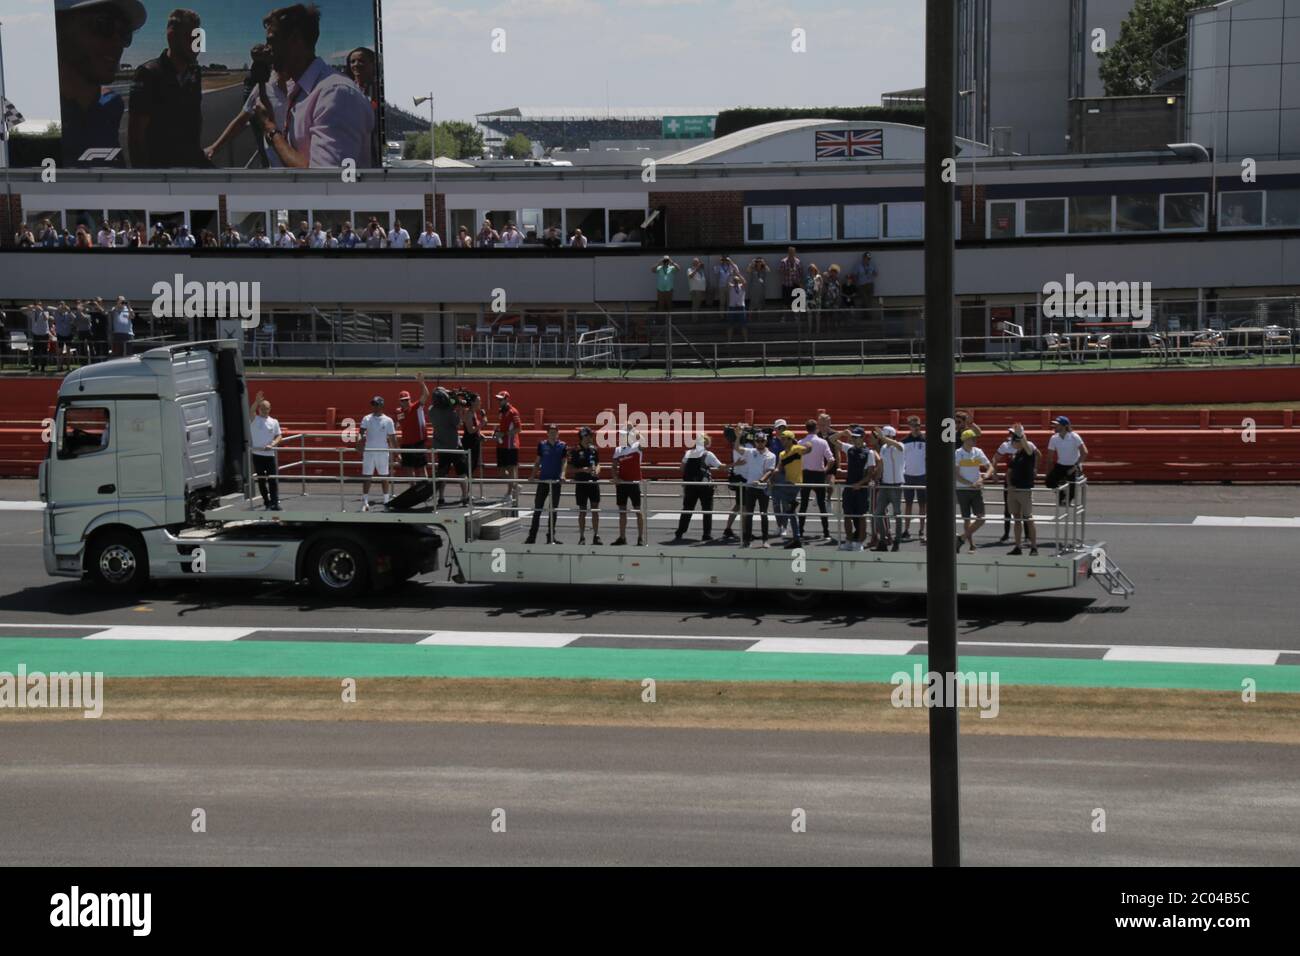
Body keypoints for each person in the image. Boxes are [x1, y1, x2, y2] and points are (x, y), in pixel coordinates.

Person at [251, 4, 375, 168]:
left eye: (272, 41)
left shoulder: (336, 95)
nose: (267, 50)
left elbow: (325, 184)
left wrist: (270, 128)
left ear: (295, 39)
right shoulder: (298, 87)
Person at [54, 0, 145, 167]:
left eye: (125, 33)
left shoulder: (111, 105)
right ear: (57, 28)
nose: (117, 43)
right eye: (102, 25)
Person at [128, 8, 208, 168]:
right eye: (192, 38)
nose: (198, 46)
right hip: (162, 169)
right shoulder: (148, 74)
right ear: (172, 37)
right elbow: (136, 138)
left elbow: (196, 115)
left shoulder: (195, 72)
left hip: (192, 162)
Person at [832, 427, 876, 551]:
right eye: (853, 437)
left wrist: (860, 484)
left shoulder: (869, 453)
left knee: (861, 516)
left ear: (862, 437)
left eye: (857, 437)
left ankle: (860, 542)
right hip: (849, 487)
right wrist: (842, 432)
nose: (854, 439)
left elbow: (870, 473)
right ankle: (849, 541)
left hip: (861, 489)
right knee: (847, 515)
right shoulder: (848, 448)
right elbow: (832, 439)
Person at [674, 434, 723, 542]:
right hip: (704, 486)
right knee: (707, 510)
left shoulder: (688, 453)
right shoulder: (708, 454)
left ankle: (680, 532)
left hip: (690, 485)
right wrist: (733, 465)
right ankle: (706, 534)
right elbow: (720, 467)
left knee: (687, 509)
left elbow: (681, 468)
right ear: (707, 443)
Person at [525, 424, 567, 545]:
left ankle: (551, 537)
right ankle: (531, 537)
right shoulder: (542, 445)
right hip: (543, 481)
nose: (553, 434)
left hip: (555, 482)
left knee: (553, 510)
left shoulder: (562, 446)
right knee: (537, 509)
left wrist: (563, 474)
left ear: (558, 433)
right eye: (551, 432)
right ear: (547, 433)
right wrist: (533, 475)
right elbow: (537, 462)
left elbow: (564, 462)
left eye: (555, 432)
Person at [955, 429, 994, 553]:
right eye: (973, 438)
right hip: (962, 489)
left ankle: (961, 539)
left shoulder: (978, 452)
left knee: (981, 518)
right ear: (966, 440)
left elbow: (990, 467)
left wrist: (984, 477)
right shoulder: (957, 453)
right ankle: (970, 544)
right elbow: (956, 475)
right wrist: (971, 484)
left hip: (976, 489)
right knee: (966, 519)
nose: (975, 440)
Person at [734, 430, 775, 547]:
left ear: (766, 441)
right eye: (758, 441)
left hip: (762, 488)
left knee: (763, 514)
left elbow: (770, 471)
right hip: (750, 487)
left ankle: (765, 540)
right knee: (749, 514)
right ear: (755, 442)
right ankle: (747, 540)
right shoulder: (750, 452)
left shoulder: (771, 455)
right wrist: (738, 437)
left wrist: (761, 481)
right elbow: (737, 448)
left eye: (762, 441)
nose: (760, 443)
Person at [1004, 425, 1040, 556]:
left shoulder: (1028, 453)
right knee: (1017, 519)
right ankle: (1017, 546)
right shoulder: (1015, 455)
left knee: (1028, 518)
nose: (1011, 442)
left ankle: (1034, 547)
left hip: (1024, 490)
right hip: (1014, 491)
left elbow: (1030, 450)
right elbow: (1009, 472)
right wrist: (1009, 485)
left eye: (1014, 440)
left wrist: (1021, 435)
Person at [797, 418, 834, 541]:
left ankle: (800, 531)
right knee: (822, 504)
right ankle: (826, 532)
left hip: (806, 474)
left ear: (806, 429)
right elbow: (831, 459)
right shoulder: (823, 442)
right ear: (816, 428)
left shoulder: (801, 442)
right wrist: (826, 470)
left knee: (804, 503)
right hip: (819, 474)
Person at [772, 428, 809, 549]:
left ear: (790, 440)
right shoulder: (782, 454)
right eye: (781, 439)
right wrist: (773, 474)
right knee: (791, 512)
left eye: (784, 439)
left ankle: (792, 503)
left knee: (776, 495)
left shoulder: (797, 449)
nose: (782, 441)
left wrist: (807, 444)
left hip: (794, 483)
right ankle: (796, 538)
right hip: (786, 483)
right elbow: (779, 467)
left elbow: (808, 449)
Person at [871, 425, 906, 551]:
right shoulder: (884, 448)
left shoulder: (900, 446)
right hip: (885, 485)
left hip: (896, 485)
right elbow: (881, 465)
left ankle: (897, 541)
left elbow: (897, 445)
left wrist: (883, 437)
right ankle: (883, 541)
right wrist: (876, 478)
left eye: (886, 436)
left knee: (897, 514)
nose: (882, 439)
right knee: (878, 514)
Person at [359, 395, 397, 511]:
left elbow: (392, 438)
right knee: (367, 476)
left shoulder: (388, 420)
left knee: (384, 476)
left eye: (376, 404)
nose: (374, 407)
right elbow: (361, 432)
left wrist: (397, 452)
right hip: (369, 451)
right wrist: (360, 441)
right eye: (373, 404)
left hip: (382, 452)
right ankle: (365, 501)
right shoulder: (366, 418)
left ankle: (386, 501)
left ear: (381, 405)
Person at [429, 386, 464, 506]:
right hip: (453, 445)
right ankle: (465, 496)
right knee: (461, 472)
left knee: (443, 472)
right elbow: (458, 424)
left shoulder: (431, 410)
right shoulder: (450, 411)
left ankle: (441, 497)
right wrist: (458, 408)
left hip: (440, 446)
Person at [346, 45, 380, 171]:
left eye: (361, 61)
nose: (356, 64)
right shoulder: (345, 88)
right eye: (352, 61)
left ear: (372, 64)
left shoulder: (378, 89)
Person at [567, 426, 602, 546]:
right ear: (582, 436)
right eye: (588, 436)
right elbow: (570, 468)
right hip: (581, 483)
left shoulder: (594, 449)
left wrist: (597, 470)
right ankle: (582, 536)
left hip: (593, 483)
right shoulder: (575, 450)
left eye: (591, 436)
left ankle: (596, 535)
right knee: (582, 511)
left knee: (595, 510)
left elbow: (598, 464)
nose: (590, 438)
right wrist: (583, 470)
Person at [394, 371, 431, 482]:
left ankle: (424, 489)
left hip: (418, 442)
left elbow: (425, 395)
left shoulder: (416, 407)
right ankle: (413, 490)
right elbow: (397, 425)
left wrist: (422, 383)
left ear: (410, 399)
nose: (405, 402)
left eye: (407, 400)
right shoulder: (398, 412)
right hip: (406, 444)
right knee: (408, 469)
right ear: (400, 402)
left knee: (421, 468)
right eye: (402, 401)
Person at [611, 429, 645, 547]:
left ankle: (640, 537)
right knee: (622, 512)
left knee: (638, 511)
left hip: (634, 483)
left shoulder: (637, 447)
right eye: (621, 436)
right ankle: (622, 537)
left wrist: (634, 430)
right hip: (622, 484)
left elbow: (644, 442)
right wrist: (615, 477)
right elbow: (614, 467)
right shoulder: (618, 450)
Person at [249, 390, 282, 510]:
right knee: (262, 480)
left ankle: (275, 502)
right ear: (259, 409)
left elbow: (279, 436)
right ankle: (266, 501)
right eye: (262, 408)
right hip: (257, 454)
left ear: (270, 409)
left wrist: (273, 444)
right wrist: (256, 402)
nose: (264, 410)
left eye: (266, 408)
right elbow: (251, 411)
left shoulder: (274, 422)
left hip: (269, 454)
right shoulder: (255, 419)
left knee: (272, 479)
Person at [1045, 416, 1087, 506]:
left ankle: (1067, 498)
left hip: (1074, 465)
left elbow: (1084, 452)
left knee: (1072, 485)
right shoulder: (1054, 438)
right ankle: (1062, 493)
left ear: (1064, 426)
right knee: (1049, 482)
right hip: (1061, 465)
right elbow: (1050, 457)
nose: (1054, 426)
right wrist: (1048, 472)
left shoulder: (1074, 436)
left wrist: (1075, 467)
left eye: (1057, 425)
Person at [493, 390, 522, 512]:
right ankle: (515, 485)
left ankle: (509, 493)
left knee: (511, 469)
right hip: (501, 444)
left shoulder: (513, 411)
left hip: (511, 445)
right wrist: (496, 431)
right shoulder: (501, 411)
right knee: (500, 471)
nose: (499, 401)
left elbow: (518, 429)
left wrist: (503, 434)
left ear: (507, 399)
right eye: (498, 399)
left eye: (501, 399)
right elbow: (502, 425)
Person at [901, 415, 927, 543]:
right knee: (908, 504)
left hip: (922, 476)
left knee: (923, 504)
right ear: (909, 427)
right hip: (908, 476)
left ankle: (922, 530)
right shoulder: (904, 441)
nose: (916, 428)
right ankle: (906, 530)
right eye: (914, 425)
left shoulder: (926, 440)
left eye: (918, 425)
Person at [851, 252, 879, 321]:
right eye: (866, 258)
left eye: (869, 259)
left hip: (870, 284)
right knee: (865, 300)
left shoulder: (871, 265)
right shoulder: (858, 266)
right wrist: (855, 284)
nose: (867, 260)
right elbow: (854, 275)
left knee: (869, 300)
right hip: (862, 285)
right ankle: (868, 316)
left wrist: (873, 273)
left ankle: (866, 316)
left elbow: (876, 273)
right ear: (863, 258)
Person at [778, 246, 804, 320]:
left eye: (793, 252)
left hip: (796, 284)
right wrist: (787, 271)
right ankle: (784, 317)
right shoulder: (784, 261)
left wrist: (800, 282)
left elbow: (801, 272)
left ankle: (796, 316)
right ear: (788, 252)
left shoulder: (798, 261)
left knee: (796, 301)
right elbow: (780, 271)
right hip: (786, 284)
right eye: (790, 252)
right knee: (785, 302)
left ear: (795, 252)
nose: (792, 253)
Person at [725, 271, 748, 343]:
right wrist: (731, 275)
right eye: (734, 280)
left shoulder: (742, 286)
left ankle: (746, 340)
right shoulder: (731, 287)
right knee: (730, 325)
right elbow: (727, 282)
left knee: (743, 325)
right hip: (732, 307)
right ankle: (729, 341)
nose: (735, 281)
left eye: (737, 280)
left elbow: (744, 281)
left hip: (741, 307)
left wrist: (738, 274)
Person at [804, 264, 823, 335]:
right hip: (809, 298)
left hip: (817, 298)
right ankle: (809, 330)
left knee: (817, 315)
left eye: (813, 269)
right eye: (810, 269)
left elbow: (820, 288)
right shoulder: (807, 278)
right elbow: (805, 287)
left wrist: (816, 296)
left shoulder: (818, 277)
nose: (812, 271)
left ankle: (818, 330)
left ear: (816, 270)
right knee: (809, 315)